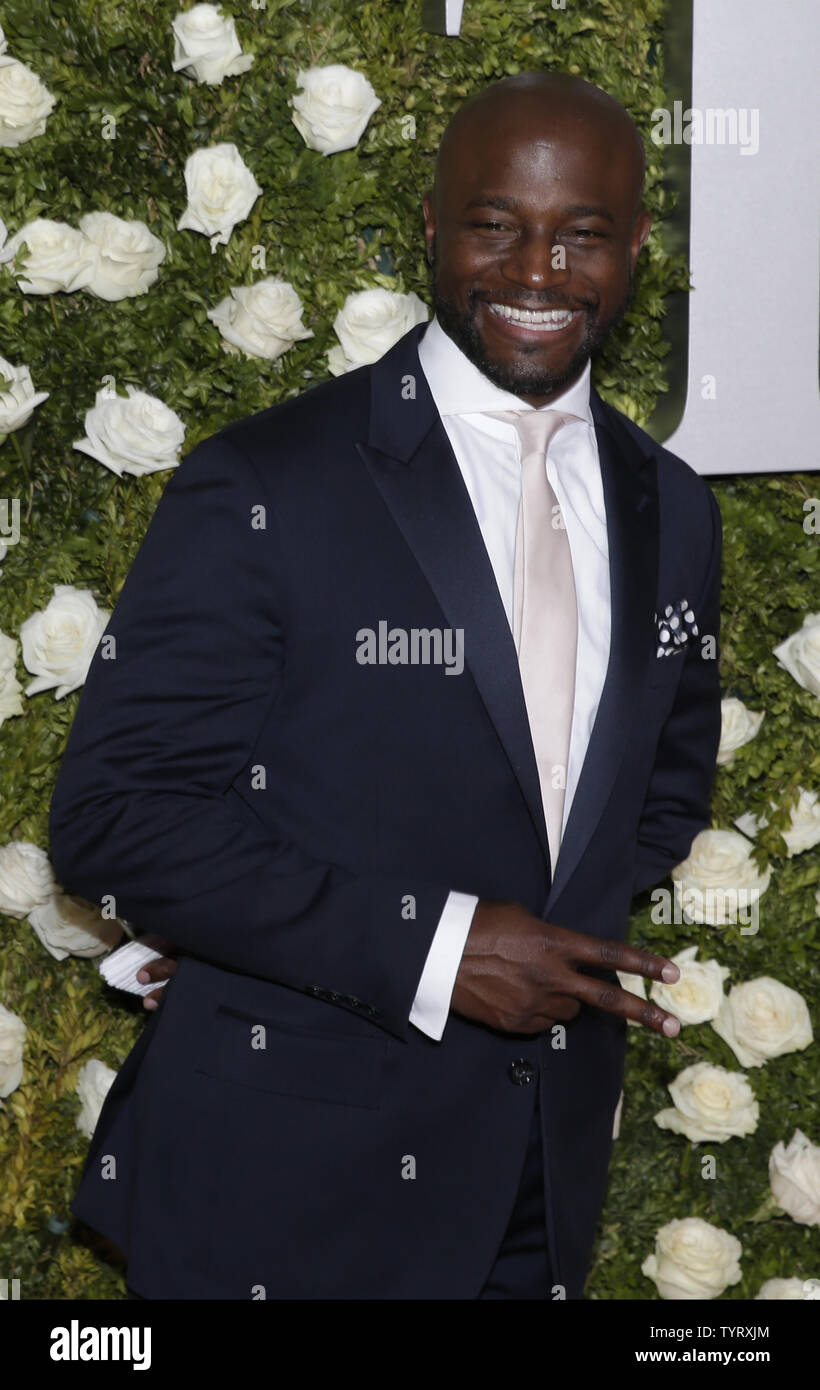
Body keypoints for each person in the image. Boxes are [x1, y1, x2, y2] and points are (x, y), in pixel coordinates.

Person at [49, 71, 722, 1300]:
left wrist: (542, 944)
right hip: (286, 1182)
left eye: (579, 233)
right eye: (493, 225)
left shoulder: (670, 506)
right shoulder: (267, 481)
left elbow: (656, 795)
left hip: (540, 1184)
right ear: (429, 227)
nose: (536, 268)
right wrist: (424, 945)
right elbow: (114, 817)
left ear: (635, 247)